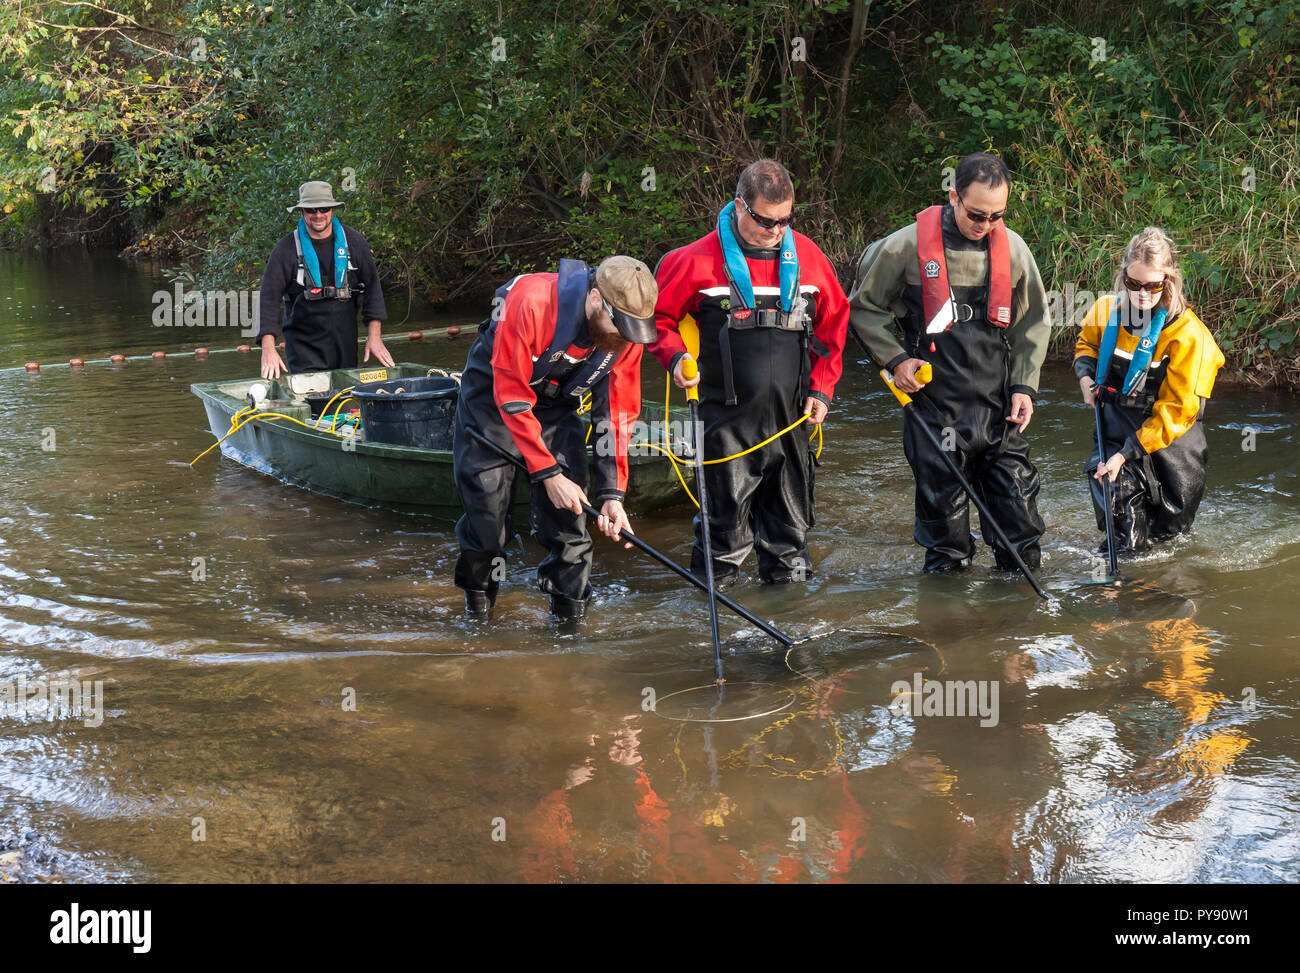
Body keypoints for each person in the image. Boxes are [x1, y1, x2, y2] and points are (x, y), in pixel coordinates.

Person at [848, 152, 1050, 572]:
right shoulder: (903, 247)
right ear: (953, 196)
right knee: (947, 545)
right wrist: (896, 360)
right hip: (934, 412)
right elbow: (863, 309)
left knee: (1022, 536)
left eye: (997, 216)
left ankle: (1017, 629)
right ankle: (949, 627)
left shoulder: (1013, 249)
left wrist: (1024, 387)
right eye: (977, 214)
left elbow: (1033, 322)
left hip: (999, 414)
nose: (986, 225)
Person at [651, 159, 848, 588]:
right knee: (721, 543)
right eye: (764, 220)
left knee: (790, 544)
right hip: (725, 423)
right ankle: (712, 625)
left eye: (785, 221)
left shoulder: (810, 259)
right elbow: (658, 321)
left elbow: (834, 328)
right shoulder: (693, 260)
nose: (775, 231)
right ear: (739, 206)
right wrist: (674, 359)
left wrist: (823, 389)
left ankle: (790, 627)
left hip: (791, 422)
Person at [452, 256, 657, 619]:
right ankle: (478, 615)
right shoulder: (530, 302)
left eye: (632, 332)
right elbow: (512, 397)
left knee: (570, 520)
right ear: (596, 299)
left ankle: (568, 622)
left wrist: (613, 495)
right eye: (619, 327)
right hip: (494, 398)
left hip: (557, 404)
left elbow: (617, 414)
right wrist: (547, 474)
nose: (625, 340)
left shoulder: (628, 336)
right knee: (488, 519)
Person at [1075, 227, 1225, 555]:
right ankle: (1113, 595)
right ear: (1122, 276)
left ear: (1168, 281)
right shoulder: (1104, 310)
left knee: (1164, 548)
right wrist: (1086, 378)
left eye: (1153, 286)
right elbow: (1086, 345)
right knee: (1125, 546)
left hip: (1173, 454)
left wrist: (1126, 452)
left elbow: (1178, 410)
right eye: (1133, 284)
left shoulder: (1190, 338)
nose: (1142, 294)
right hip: (1114, 437)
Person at [255, 181, 394, 379]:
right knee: (315, 402)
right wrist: (268, 348)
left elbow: (373, 289)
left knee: (345, 400)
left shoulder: (354, 242)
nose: (318, 215)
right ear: (302, 212)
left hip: (344, 344)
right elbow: (268, 299)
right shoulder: (285, 250)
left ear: (332, 210)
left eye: (323, 208)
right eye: (311, 210)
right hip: (304, 349)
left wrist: (375, 337)